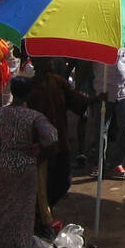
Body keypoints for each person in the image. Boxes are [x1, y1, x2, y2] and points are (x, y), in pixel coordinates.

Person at [0, 77, 59, 248]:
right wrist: (37, 146)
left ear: (12, 91)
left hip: (4, 164)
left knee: (1, 210)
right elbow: (52, 136)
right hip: (26, 165)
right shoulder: (34, 116)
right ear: (29, 94)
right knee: (23, 213)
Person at [27, 58, 89, 225]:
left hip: (60, 142)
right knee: (42, 184)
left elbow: (76, 101)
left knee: (63, 181)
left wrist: (95, 99)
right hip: (41, 147)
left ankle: (45, 209)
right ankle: (42, 215)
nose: (51, 64)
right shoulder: (31, 88)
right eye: (47, 62)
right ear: (38, 65)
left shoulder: (58, 82)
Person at [92, 50, 125, 180]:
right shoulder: (99, 44)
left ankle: (115, 163)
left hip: (124, 90)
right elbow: (86, 67)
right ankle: (99, 163)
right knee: (101, 129)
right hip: (103, 91)